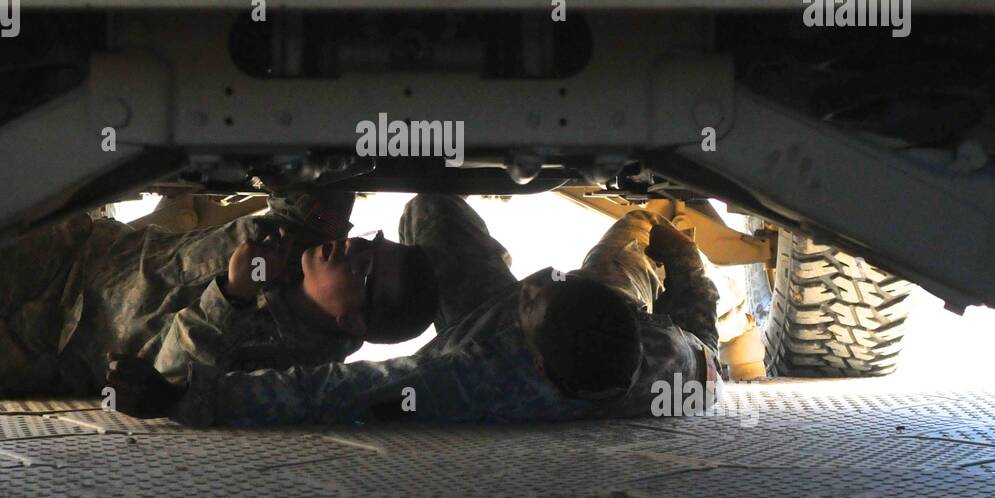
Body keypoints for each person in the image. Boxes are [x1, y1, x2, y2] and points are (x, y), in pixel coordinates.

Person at [107, 193, 720, 425]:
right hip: (605, 318)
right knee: (435, 205)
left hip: (534, 323)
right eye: (548, 283)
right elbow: (668, 331)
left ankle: (647, 223)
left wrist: (187, 399)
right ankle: (648, 222)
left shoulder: (476, 379)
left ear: (528, 351)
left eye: (536, 296)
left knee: (616, 265)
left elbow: (336, 392)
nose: (533, 281)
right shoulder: (648, 349)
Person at [0, 192, 439, 399]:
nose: (353, 251)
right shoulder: (303, 232)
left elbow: (170, 379)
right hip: (66, 259)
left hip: (50, 349)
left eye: (362, 272)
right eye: (369, 244)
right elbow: (315, 142)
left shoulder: (292, 365)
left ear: (352, 324)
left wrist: (232, 294)